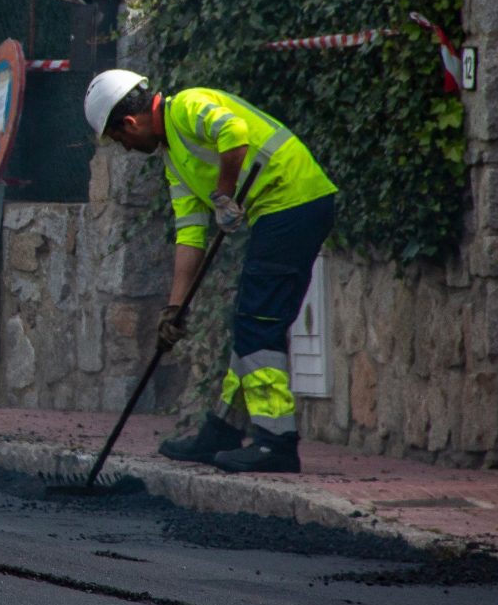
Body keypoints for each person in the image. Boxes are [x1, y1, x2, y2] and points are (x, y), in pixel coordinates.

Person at [84, 69, 338, 473]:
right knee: (251, 323)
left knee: (258, 323)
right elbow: (190, 236)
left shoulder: (187, 106)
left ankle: (276, 444)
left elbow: (233, 132)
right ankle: (223, 430)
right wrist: (174, 309)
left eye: (120, 140)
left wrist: (223, 194)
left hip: (294, 202)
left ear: (129, 123)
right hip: (283, 209)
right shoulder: (174, 161)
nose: (127, 149)